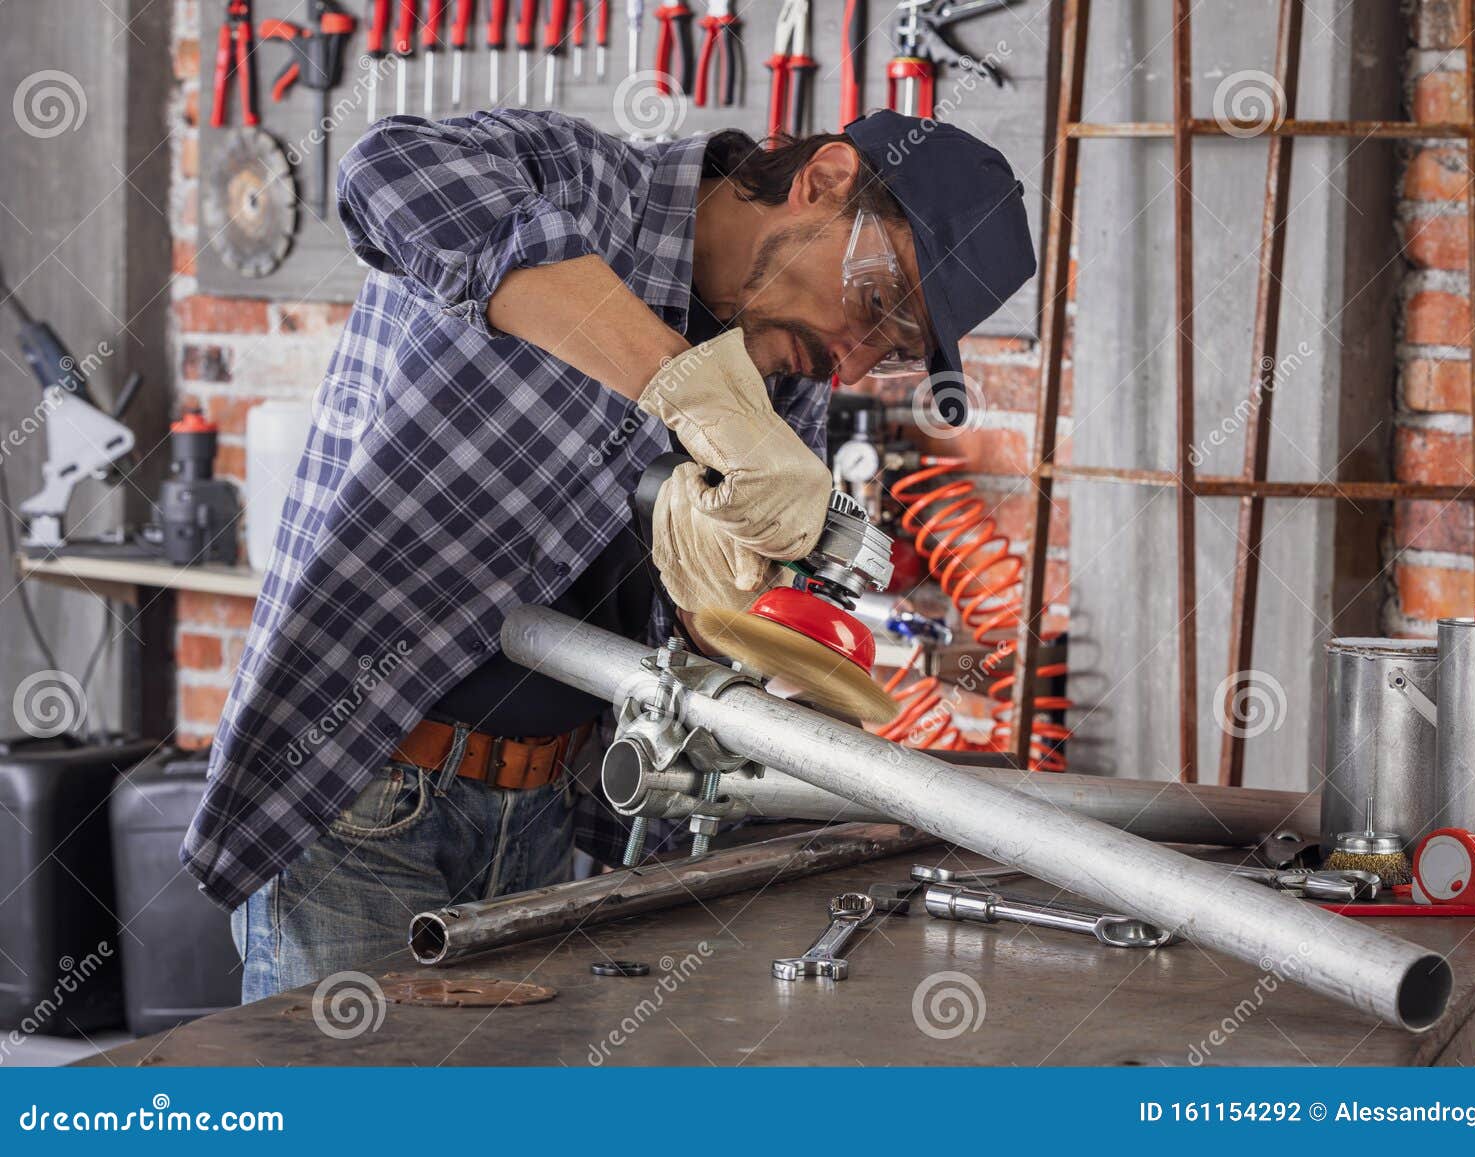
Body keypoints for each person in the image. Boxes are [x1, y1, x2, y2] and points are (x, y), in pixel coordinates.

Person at [181, 107, 1036, 1000]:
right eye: (874, 307)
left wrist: (727, 619)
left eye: (890, 354)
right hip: (362, 796)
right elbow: (384, 170)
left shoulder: (788, 389)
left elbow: (710, 645)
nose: (854, 364)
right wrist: (688, 387)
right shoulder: (581, 184)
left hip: (550, 821)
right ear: (821, 182)